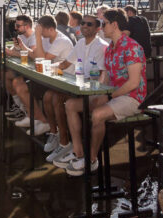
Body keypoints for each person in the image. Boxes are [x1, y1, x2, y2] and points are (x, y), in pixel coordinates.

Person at [59, 9, 147, 176]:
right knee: (70, 104)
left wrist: (108, 96)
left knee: (98, 115)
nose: (101, 26)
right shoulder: (110, 49)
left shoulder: (132, 47)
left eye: (103, 23)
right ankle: (78, 152)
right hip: (113, 94)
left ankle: (91, 159)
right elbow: (105, 78)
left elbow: (134, 83)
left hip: (133, 98)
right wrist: (97, 93)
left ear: (114, 25)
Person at [43, 15, 108, 163]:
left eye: (89, 24)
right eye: (83, 23)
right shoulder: (80, 43)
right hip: (79, 87)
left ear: (97, 29)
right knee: (53, 97)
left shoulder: (101, 46)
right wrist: (47, 68)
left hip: (93, 91)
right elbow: (65, 64)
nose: (84, 26)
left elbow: (100, 75)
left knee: (59, 99)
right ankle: (64, 142)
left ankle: (69, 145)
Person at [13, 15, 73, 134]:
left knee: (30, 90)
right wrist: (22, 47)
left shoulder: (62, 41)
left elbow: (42, 58)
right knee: (18, 83)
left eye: (41, 30)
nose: (39, 33)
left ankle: (44, 122)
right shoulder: (46, 38)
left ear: (50, 29)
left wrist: (37, 37)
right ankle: (36, 118)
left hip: (64, 79)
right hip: (50, 76)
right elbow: (35, 55)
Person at [4, 14, 37, 120]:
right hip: (23, 69)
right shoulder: (20, 36)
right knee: (3, 75)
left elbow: (33, 58)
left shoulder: (35, 38)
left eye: (18, 26)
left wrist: (13, 53)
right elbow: (16, 51)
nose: (15, 28)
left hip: (34, 72)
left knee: (14, 81)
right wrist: (11, 51)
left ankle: (25, 111)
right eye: (15, 25)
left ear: (27, 26)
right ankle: (20, 107)